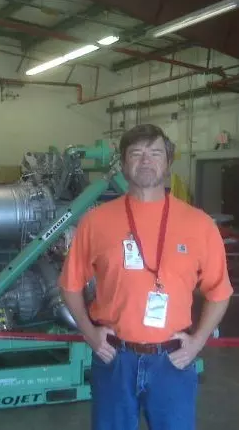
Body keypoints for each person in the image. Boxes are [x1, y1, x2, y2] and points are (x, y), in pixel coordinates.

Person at [59, 124, 233, 430]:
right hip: (114, 358)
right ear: (124, 164)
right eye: (136, 153)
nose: (146, 160)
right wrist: (88, 332)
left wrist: (197, 342)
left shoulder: (199, 224)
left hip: (172, 361)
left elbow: (220, 292)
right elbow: (70, 285)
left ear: (167, 162)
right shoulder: (96, 222)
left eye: (155, 153)